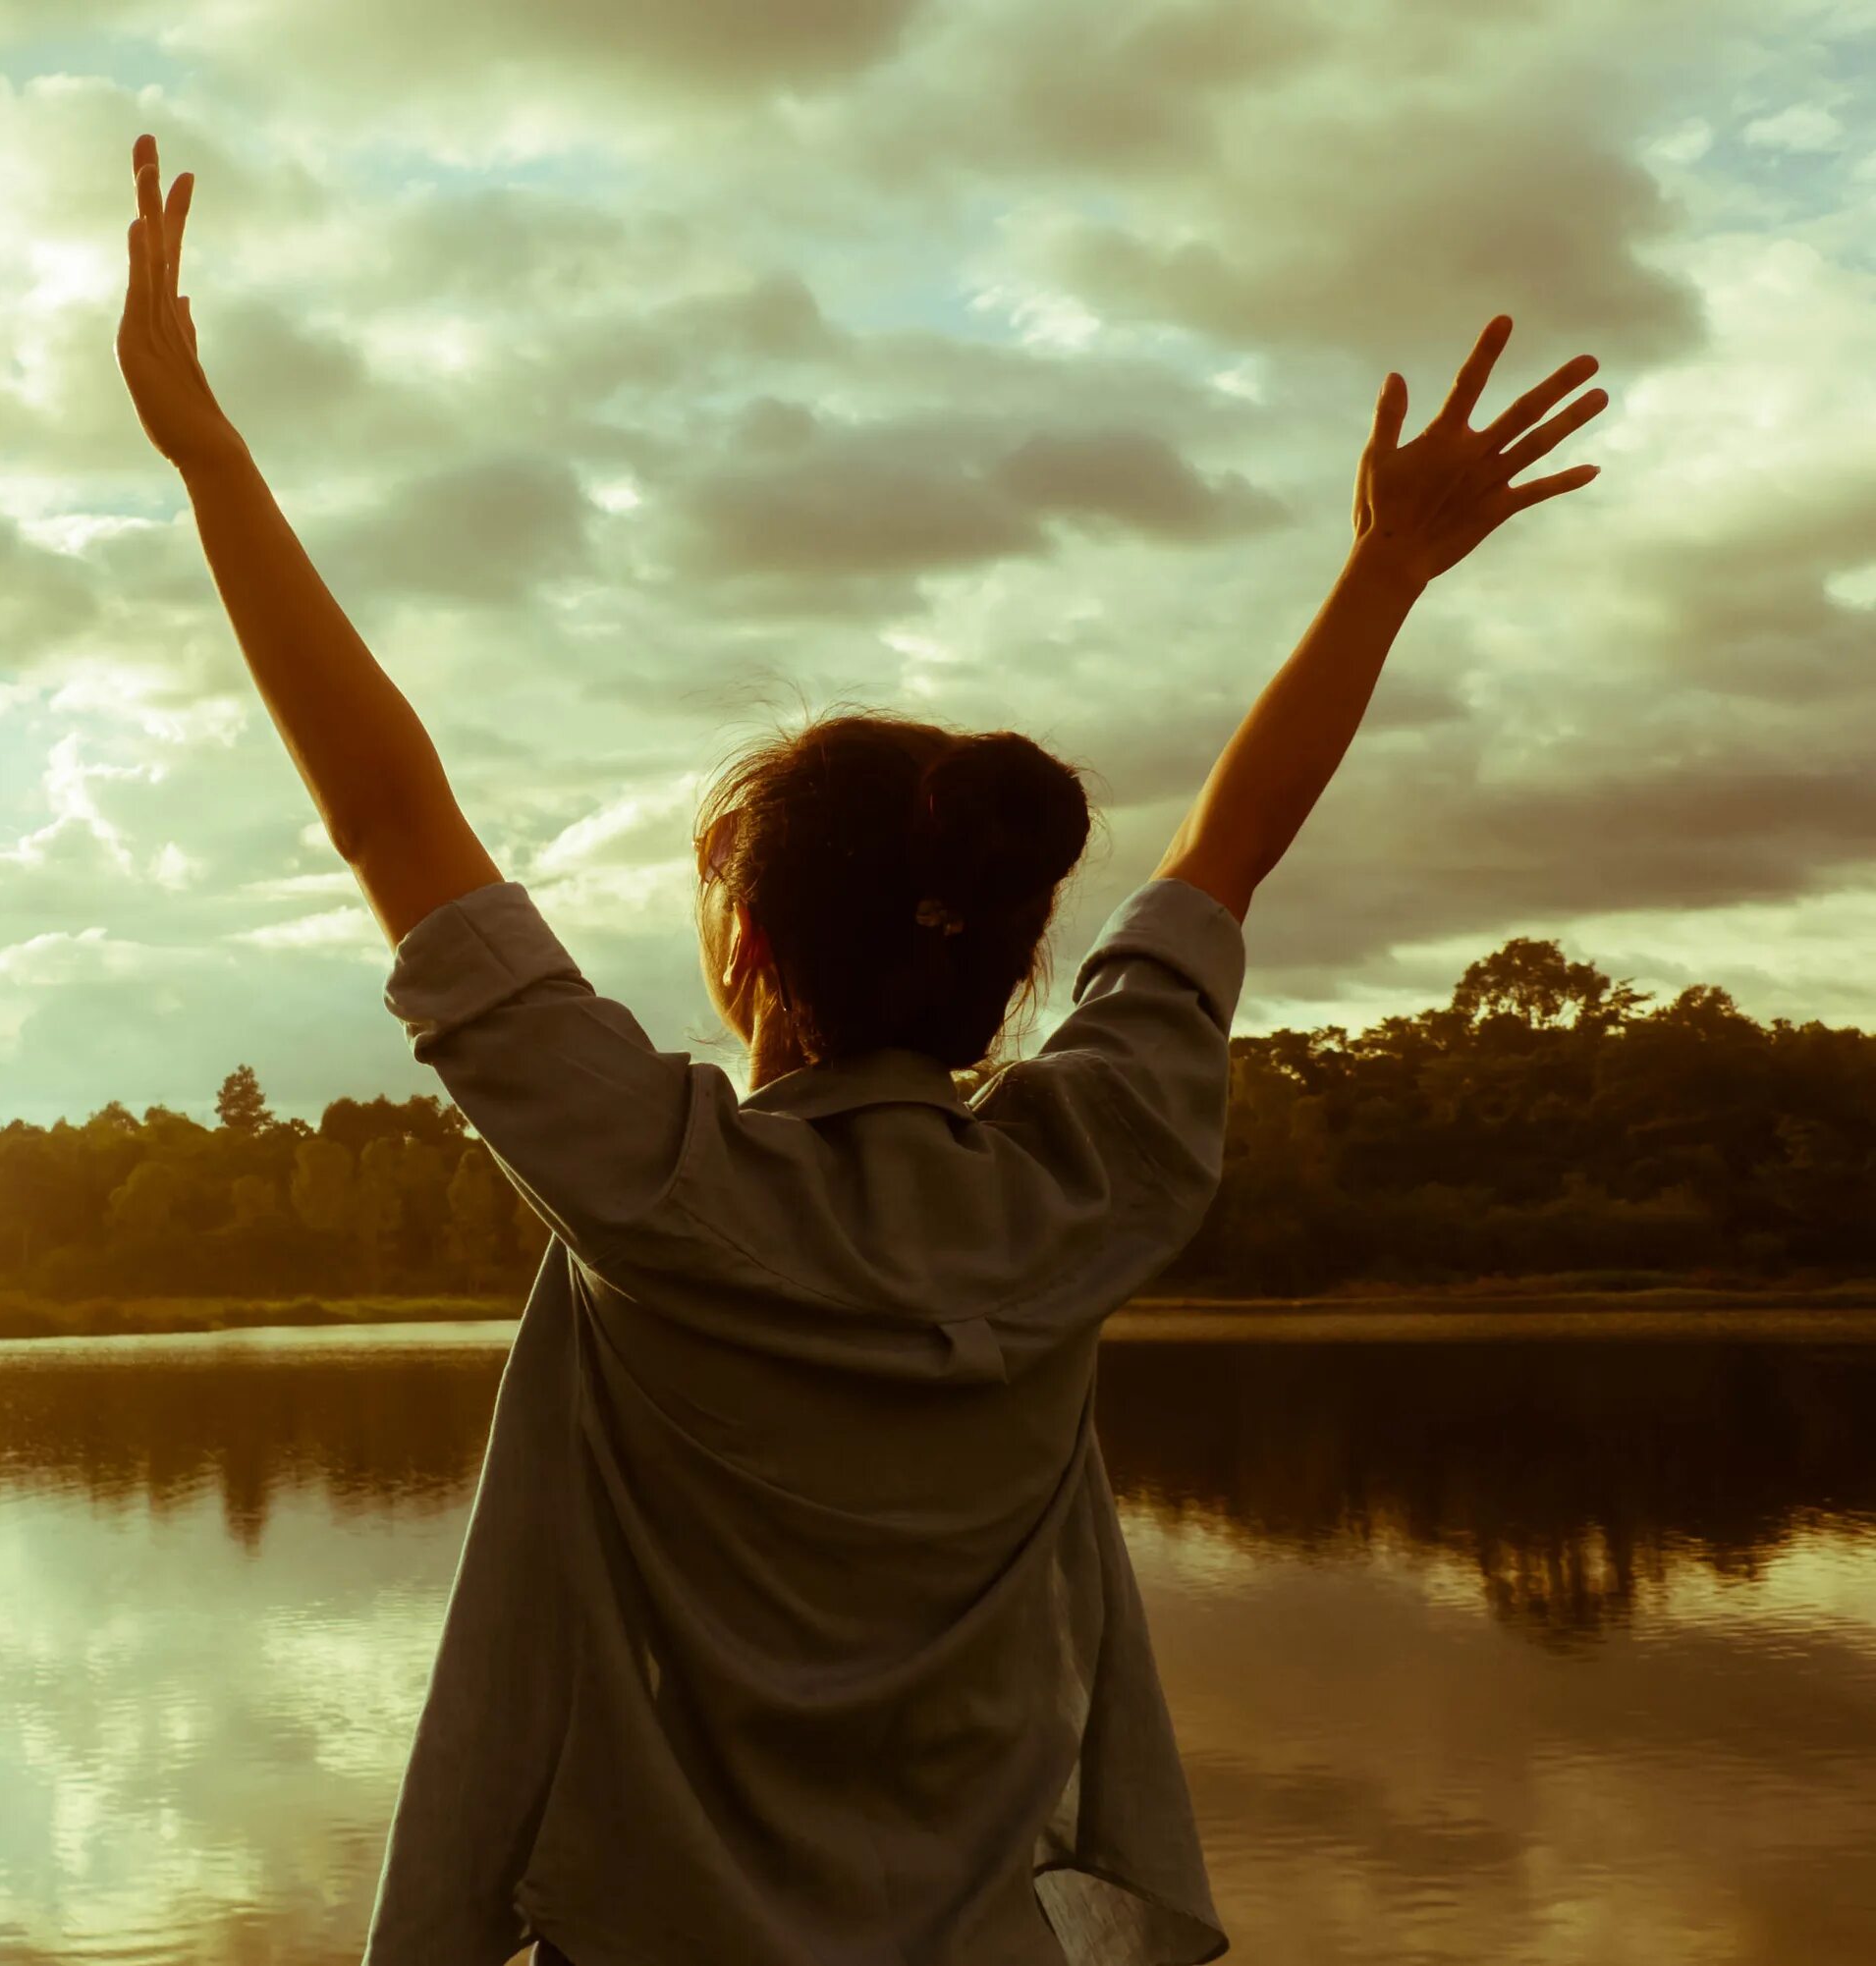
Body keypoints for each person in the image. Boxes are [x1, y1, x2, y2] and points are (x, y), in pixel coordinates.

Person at [114, 132, 1606, 1966]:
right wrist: (1383, 571)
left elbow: (384, 819)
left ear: (742, 946)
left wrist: (213, 462)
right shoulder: (1087, 1180)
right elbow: (1229, 856)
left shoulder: (659, 1191)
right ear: (1003, 966)